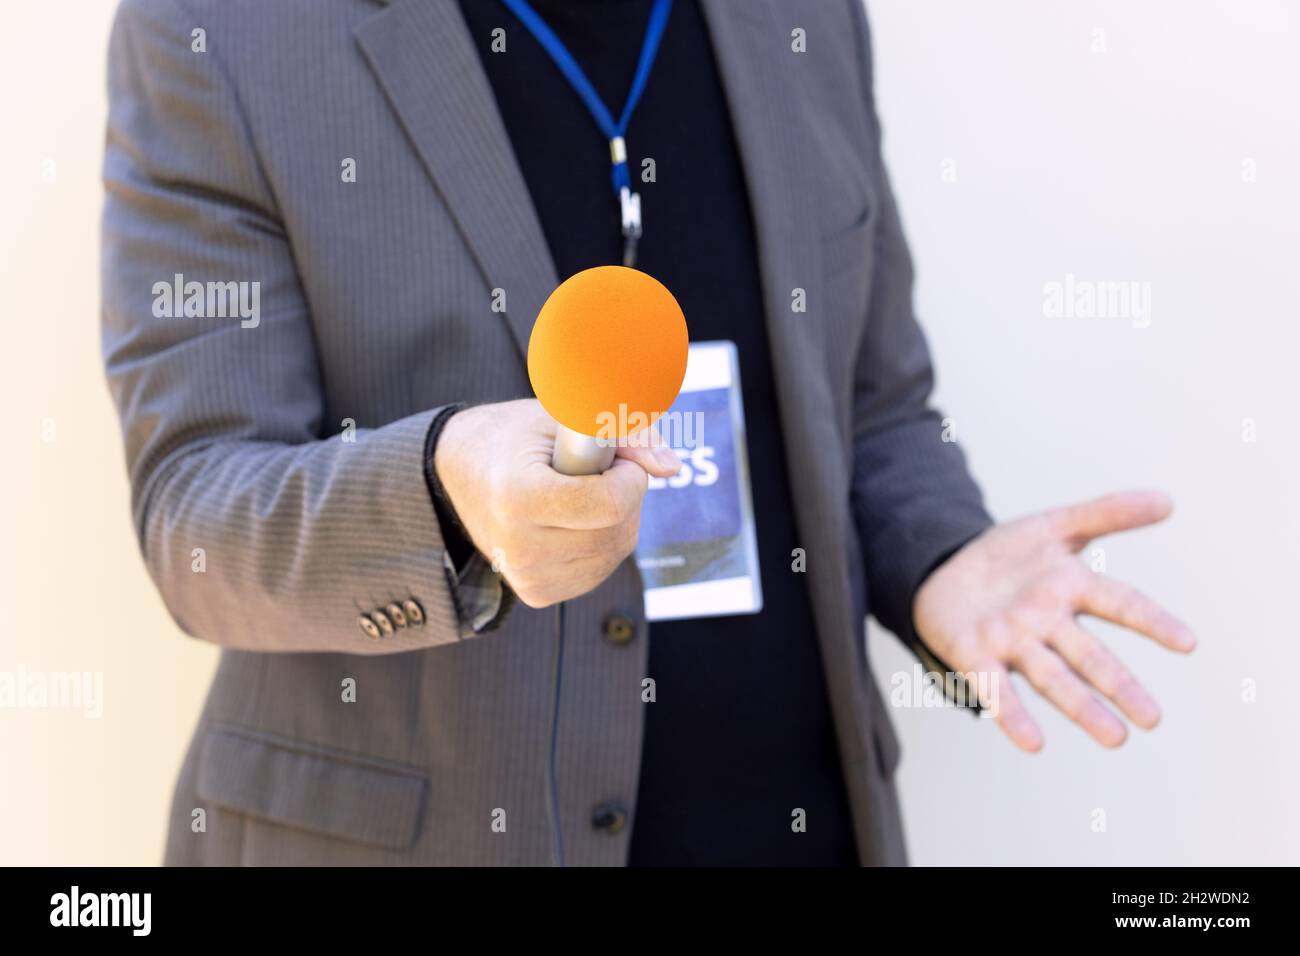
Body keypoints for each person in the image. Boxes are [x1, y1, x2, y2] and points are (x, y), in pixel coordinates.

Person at [102, 0, 1195, 866]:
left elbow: (871, 404)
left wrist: (939, 558)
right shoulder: (218, 28)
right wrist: (443, 495)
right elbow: (194, 512)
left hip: (797, 825)